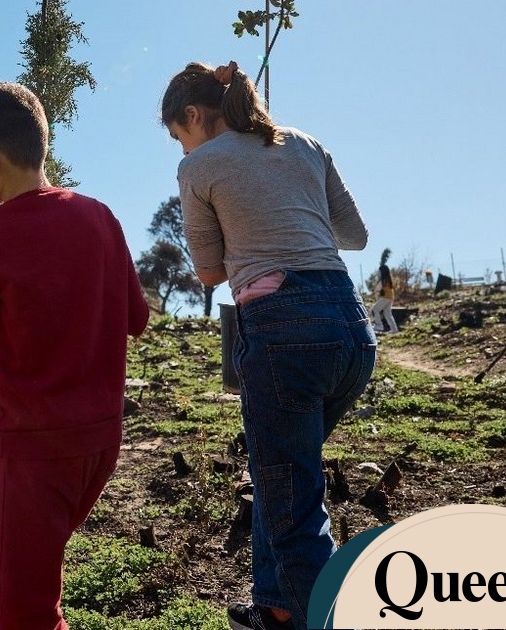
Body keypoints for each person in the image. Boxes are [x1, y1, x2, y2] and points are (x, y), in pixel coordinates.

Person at [160, 61, 376, 630]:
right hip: (351, 330)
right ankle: (276, 607)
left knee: (292, 500)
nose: (181, 148)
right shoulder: (306, 145)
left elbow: (209, 271)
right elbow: (355, 235)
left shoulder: (198, 166)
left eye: (178, 136)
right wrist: (290, 213)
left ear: (192, 115)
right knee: (279, 474)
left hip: (283, 334)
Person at [0, 82, 150, 630]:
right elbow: (136, 317)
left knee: (25, 610)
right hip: (101, 439)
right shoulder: (100, 216)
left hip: (37, 446)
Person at [371, 263, 399, 333]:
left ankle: (379, 325)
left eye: (379, 271)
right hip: (390, 298)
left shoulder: (383, 280)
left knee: (375, 309)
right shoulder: (388, 279)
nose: (378, 273)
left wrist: (376, 293)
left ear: (382, 272)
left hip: (385, 298)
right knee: (388, 314)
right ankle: (394, 330)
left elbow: (377, 289)